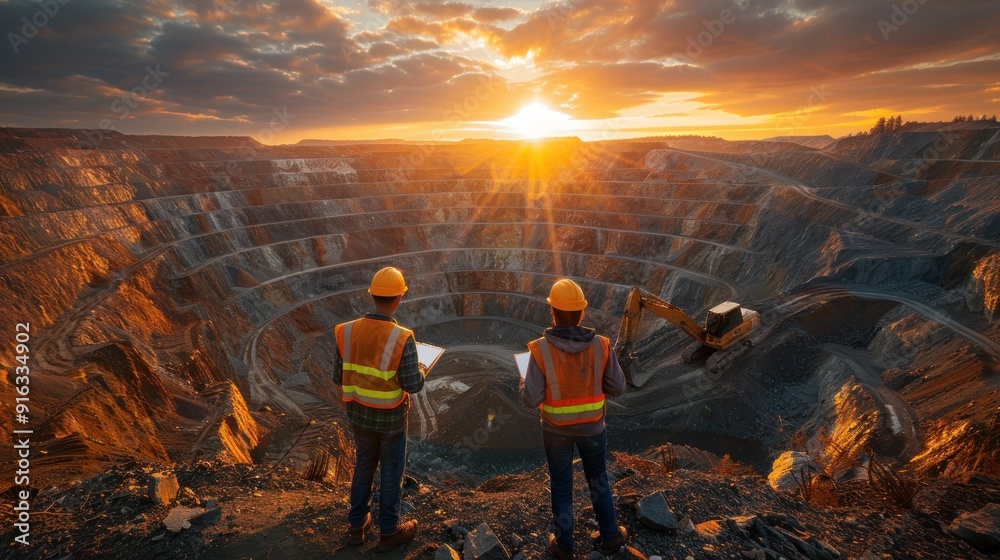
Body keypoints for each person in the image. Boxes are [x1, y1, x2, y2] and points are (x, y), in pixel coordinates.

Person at [519, 279, 634, 560]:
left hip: (555, 431)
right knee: (598, 481)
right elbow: (618, 387)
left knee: (561, 485)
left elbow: (531, 399)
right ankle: (609, 536)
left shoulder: (540, 350)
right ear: (581, 313)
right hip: (593, 429)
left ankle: (564, 545)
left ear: (553, 312)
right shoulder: (602, 346)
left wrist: (525, 380)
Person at [332, 266, 424, 552]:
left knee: (363, 467)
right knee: (391, 473)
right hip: (391, 419)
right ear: (398, 298)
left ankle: (356, 526)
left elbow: (339, 376)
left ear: (372, 296)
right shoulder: (401, 337)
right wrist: (420, 369)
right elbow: (412, 384)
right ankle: (388, 531)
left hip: (359, 415)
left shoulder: (346, 332)